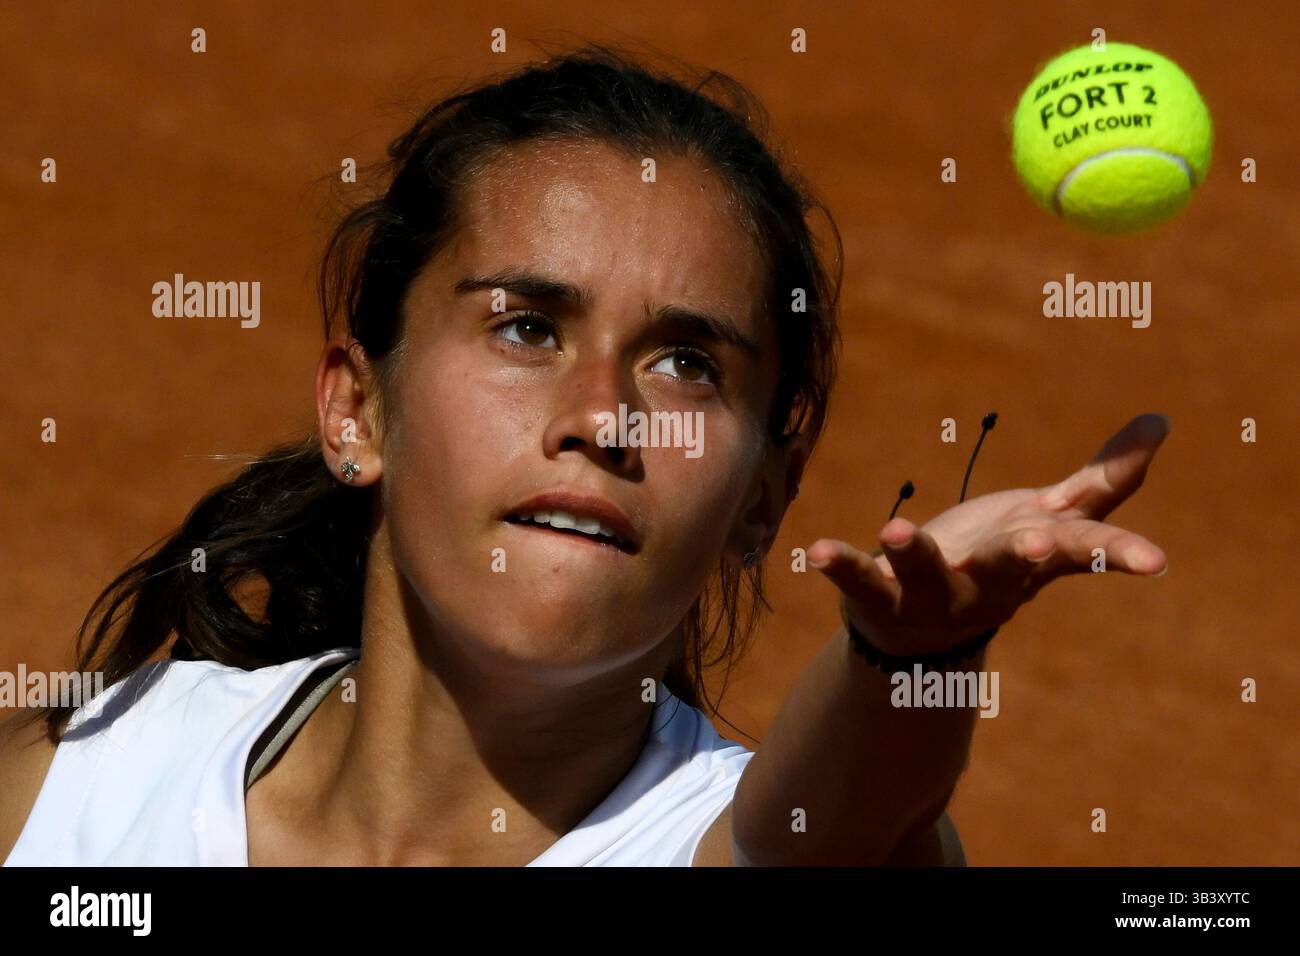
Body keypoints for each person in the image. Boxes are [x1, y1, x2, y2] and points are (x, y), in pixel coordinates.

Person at [0, 43, 1169, 867]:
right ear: (358, 409)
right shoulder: (67, 789)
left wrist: (913, 653)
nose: (605, 414)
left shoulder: (737, 843)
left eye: (686, 365)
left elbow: (838, 818)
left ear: (765, 496)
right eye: (525, 327)